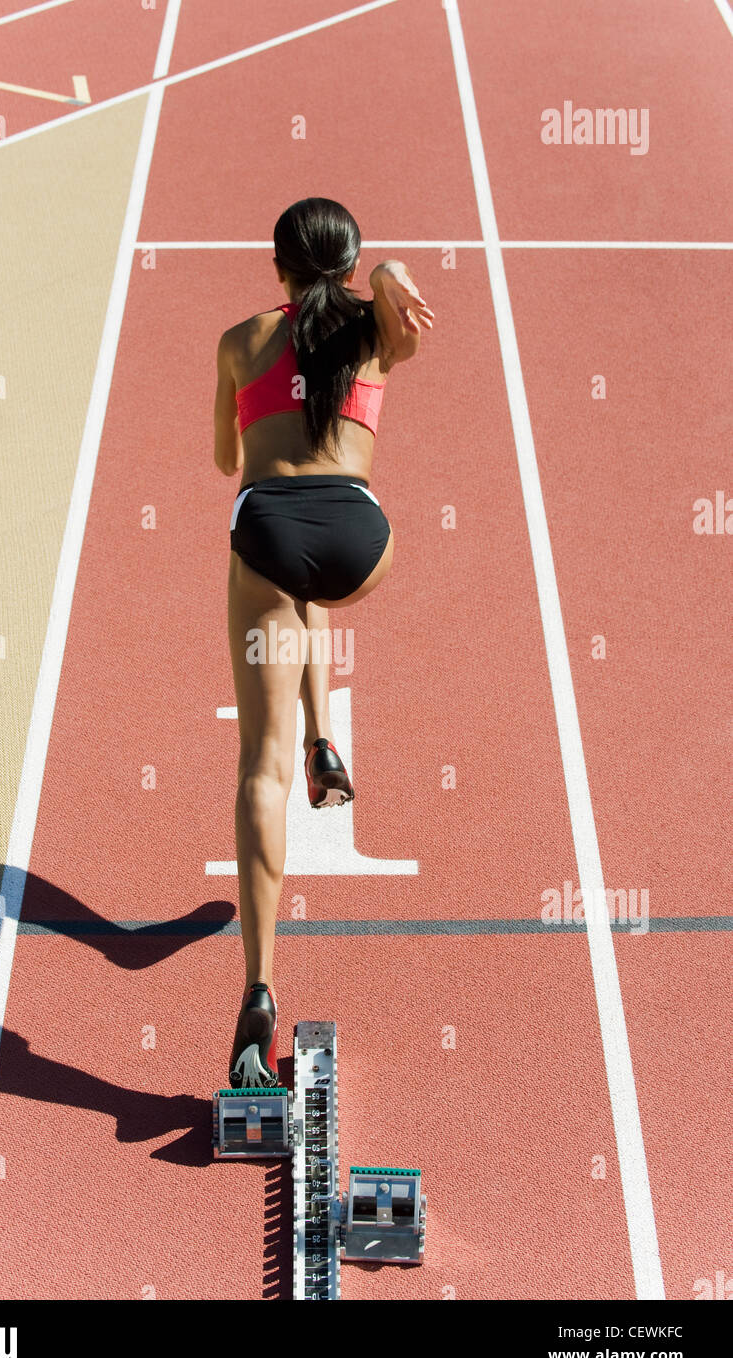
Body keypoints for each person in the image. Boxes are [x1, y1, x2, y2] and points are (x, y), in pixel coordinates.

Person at [213, 197, 433, 1086]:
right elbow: (395, 304)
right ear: (350, 264)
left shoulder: (239, 340)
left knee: (253, 768)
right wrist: (384, 282)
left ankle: (256, 989)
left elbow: (226, 462)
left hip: (270, 533)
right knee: (312, 580)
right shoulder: (379, 331)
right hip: (359, 541)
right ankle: (323, 741)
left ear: (276, 265)